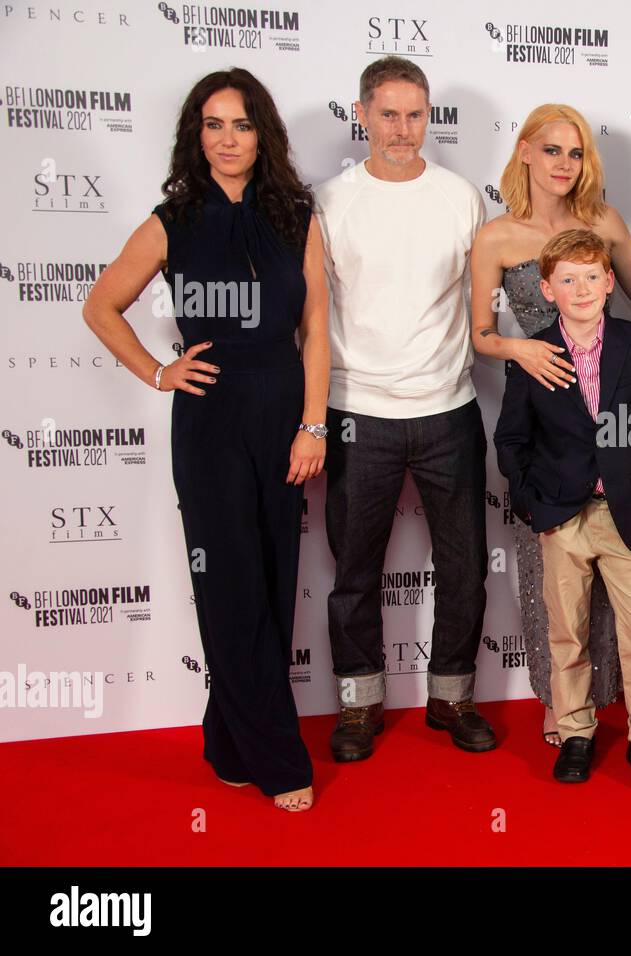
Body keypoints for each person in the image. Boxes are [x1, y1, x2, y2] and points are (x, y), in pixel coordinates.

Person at [82, 69, 326, 811]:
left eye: (242, 124)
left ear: (264, 135)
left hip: (284, 413)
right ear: (197, 134)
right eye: (213, 125)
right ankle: (278, 757)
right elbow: (101, 305)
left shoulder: (296, 214)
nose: (227, 139)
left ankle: (226, 739)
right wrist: (159, 373)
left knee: (275, 584)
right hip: (211, 421)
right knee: (229, 589)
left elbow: (315, 328)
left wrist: (313, 423)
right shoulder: (172, 219)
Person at [470, 103, 631, 747]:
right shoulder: (497, 235)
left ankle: (626, 716)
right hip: (548, 423)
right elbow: (480, 334)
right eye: (551, 149)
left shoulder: (604, 223)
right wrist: (520, 348)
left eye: (575, 152)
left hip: (614, 433)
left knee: (627, 599)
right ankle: (566, 709)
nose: (564, 164)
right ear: (525, 151)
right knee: (555, 599)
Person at [316, 56, 493, 761]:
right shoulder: (329, 202)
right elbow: (311, 313)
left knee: (466, 566)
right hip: (357, 411)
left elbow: (481, 304)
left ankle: (451, 697)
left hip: (450, 407)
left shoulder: (460, 198)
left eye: (415, 114)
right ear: (361, 115)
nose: (402, 129)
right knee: (355, 569)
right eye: (388, 114)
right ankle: (358, 705)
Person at [494, 229, 631, 795]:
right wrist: (534, 507)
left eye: (591, 277)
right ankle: (576, 730)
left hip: (624, 511)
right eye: (567, 280)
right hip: (561, 516)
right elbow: (510, 440)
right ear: (547, 289)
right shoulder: (532, 353)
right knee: (566, 632)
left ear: (608, 283)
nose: (581, 289)